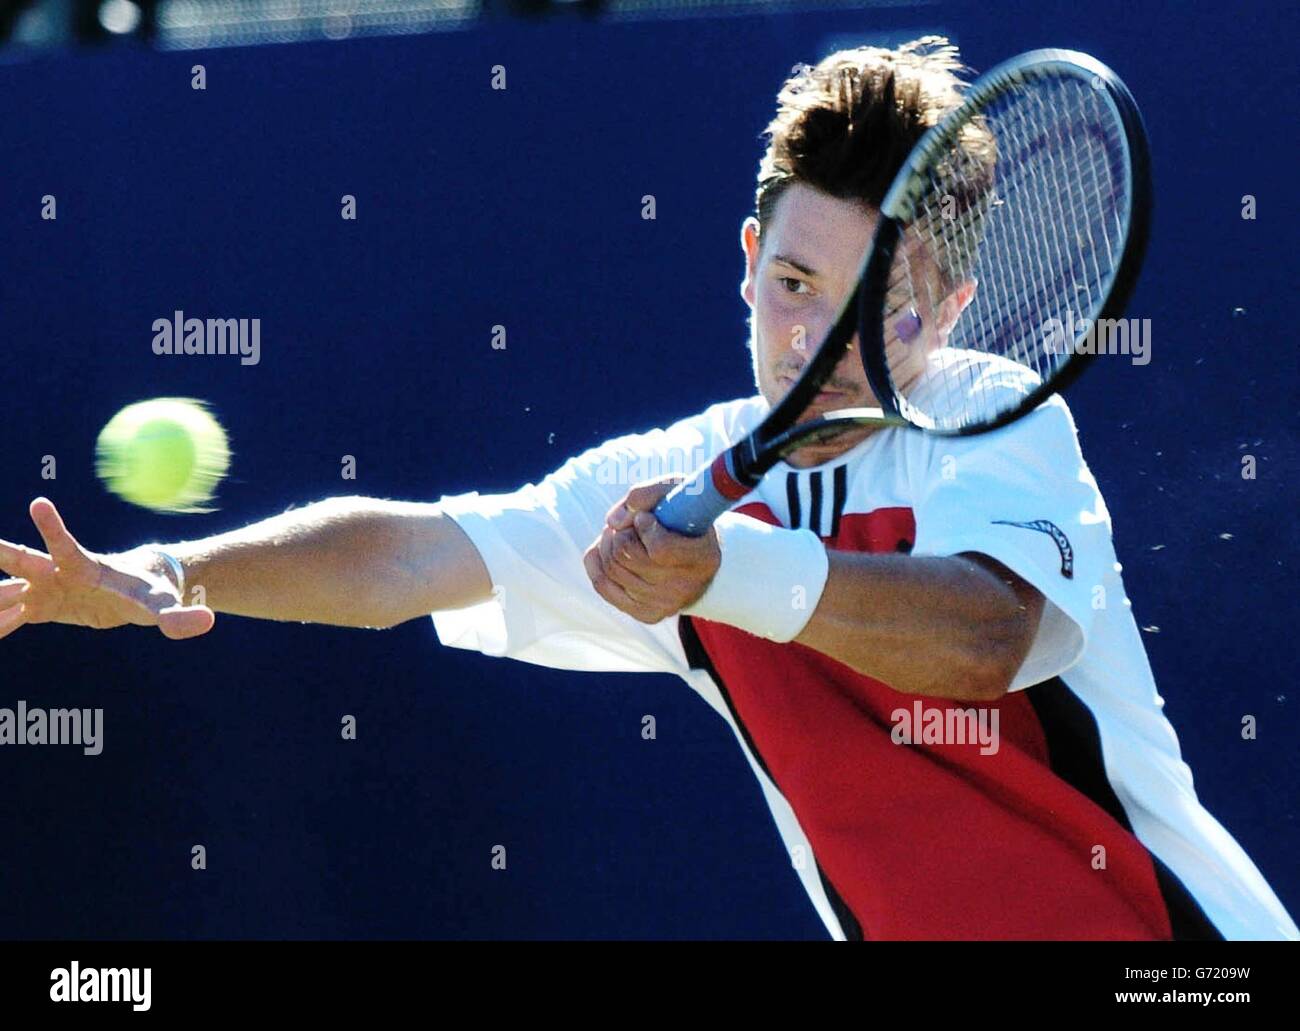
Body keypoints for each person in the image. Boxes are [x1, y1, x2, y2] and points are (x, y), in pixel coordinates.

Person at [2, 37, 1295, 941]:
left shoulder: (994, 421)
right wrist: (174, 575)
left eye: (874, 311)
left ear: (952, 308)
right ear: (747, 262)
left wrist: (726, 572)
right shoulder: (654, 481)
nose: (818, 349)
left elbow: (982, 636)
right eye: (793, 289)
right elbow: (411, 557)